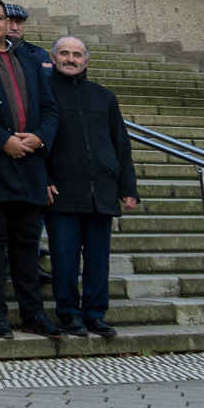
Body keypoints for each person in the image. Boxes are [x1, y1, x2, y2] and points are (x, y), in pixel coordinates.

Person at [0, 0, 62, 338]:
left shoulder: (31, 60)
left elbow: (50, 109)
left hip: (32, 164)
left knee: (27, 244)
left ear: (9, 23)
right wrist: (2, 140)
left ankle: (33, 313)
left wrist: (39, 138)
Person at [45, 36, 139, 337]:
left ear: (87, 61)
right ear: (53, 57)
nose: (70, 59)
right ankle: (70, 314)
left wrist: (128, 186)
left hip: (102, 190)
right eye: (64, 53)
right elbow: (38, 142)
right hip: (62, 190)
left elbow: (121, 145)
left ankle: (96, 314)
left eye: (77, 54)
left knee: (98, 260)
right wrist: (43, 179)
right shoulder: (42, 92)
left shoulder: (105, 97)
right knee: (64, 259)